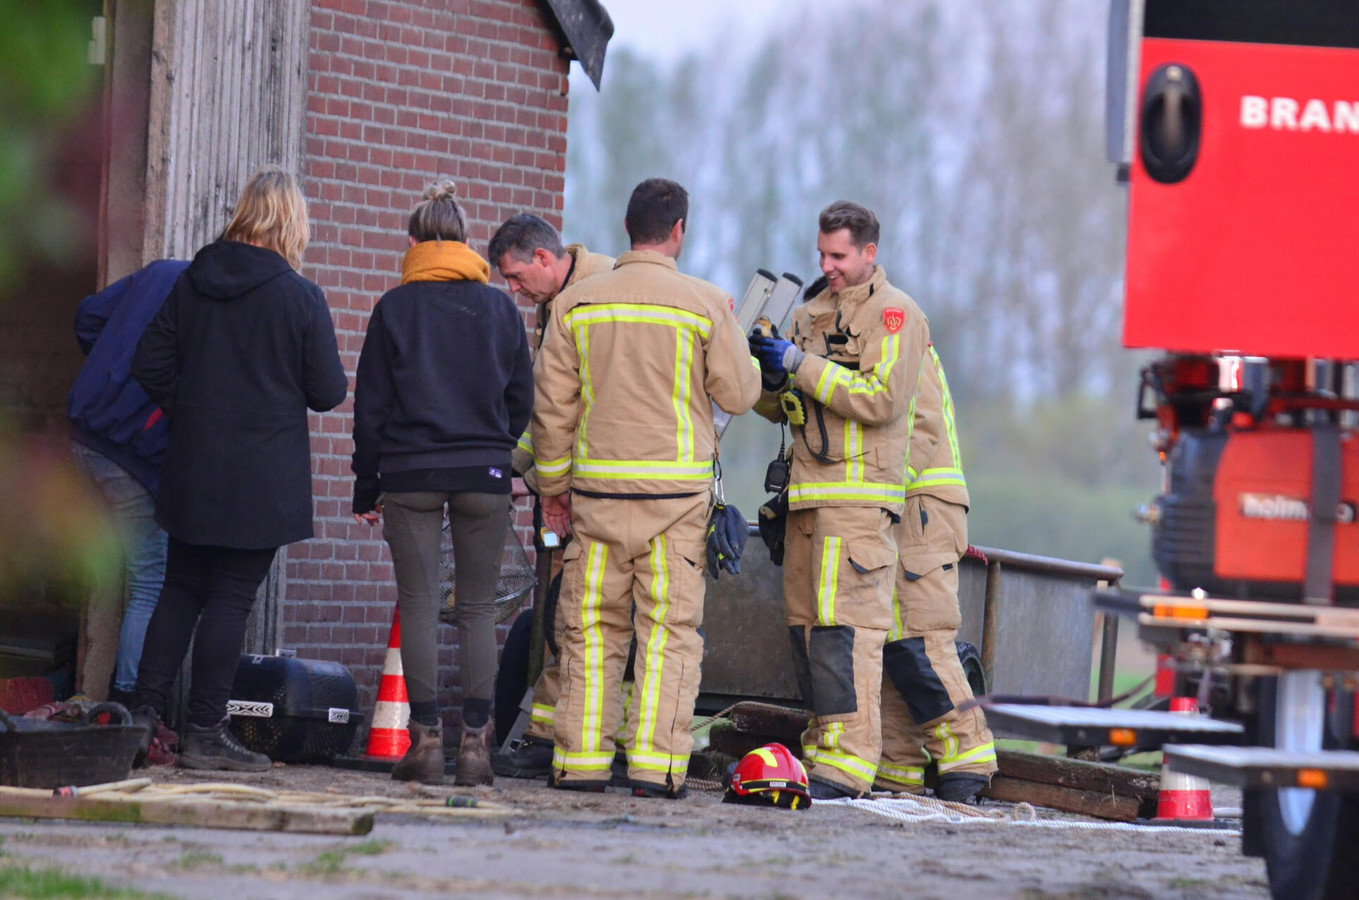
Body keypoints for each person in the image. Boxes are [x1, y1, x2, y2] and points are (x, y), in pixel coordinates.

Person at [532, 178, 761, 797]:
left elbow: (551, 411)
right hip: (676, 508)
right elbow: (741, 394)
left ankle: (579, 765)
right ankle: (655, 770)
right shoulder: (705, 304)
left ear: (627, 227)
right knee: (667, 638)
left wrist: (553, 489)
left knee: (589, 633)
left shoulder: (575, 305)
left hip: (596, 505)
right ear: (679, 230)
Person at [129, 166, 347, 771]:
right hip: (261, 478)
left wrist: (192, 411)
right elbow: (328, 391)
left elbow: (148, 362)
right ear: (292, 223)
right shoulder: (300, 297)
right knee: (229, 599)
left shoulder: (195, 280)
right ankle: (204, 732)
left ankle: (141, 719)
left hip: (194, 466)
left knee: (179, 589)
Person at [352, 182, 534, 786]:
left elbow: (370, 409)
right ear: (464, 242)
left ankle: (426, 744)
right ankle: (476, 750)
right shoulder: (501, 310)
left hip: (410, 474)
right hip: (484, 473)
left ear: (413, 243)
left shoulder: (394, 308)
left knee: (421, 604)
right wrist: (496, 448)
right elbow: (522, 398)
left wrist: (365, 487)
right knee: (479, 609)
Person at [749, 200, 929, 800]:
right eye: (822, 254)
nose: (828, 266)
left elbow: (882, 398)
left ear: (870, 252)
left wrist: (800, 365)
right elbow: (785, 409)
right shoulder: (808, 315)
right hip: (806, 500)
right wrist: (771, 377)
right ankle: (823, 754)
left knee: (845, 633)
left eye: (840, 255)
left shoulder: (896, 314)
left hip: (858, 505)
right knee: (807, 633)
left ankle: (847, 767)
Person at [485, 213, 614, 780]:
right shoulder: (555, 301)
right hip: (567, 490)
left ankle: (558, 738)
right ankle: (546, 734)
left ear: (543, 258)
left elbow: (574, 409)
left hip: (594, 493)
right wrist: (506, 467)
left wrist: (548, 487)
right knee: (561, 617)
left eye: (516, 277)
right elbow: (545, 415)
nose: (514, 291)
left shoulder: (598, 293)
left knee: (578, 619)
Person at [877, 345, 997, 802]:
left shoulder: (894, 330)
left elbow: (916, 425)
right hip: (908, 502)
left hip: (916, 504)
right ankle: (897, 766)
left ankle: (968, 758)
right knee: (887, 641)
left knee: (918, 640)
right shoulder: (885, 331)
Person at [67, 259, 186, 708]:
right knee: (150, 580)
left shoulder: (161, 272)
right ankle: (127, 702)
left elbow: (88, 317)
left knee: (106, 569)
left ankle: (90, 694)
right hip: (130, 454)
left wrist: (109, 369)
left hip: (84, 439)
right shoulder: (210, 303)